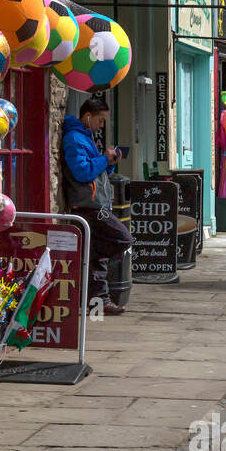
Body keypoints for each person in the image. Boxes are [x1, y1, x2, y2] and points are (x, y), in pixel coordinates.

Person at [61, 96, 132, 316]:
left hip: (97, 202)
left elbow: (95, 172)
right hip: (88, 206)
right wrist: (103, 159)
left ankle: (98, 303)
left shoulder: (86, 137)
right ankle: (88, 257)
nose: (102, 126)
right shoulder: (74, 138)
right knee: (123, 238)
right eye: (100, 120)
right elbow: (82, 171)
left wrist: (108, 163)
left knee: (98, 257)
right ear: (88, 116)